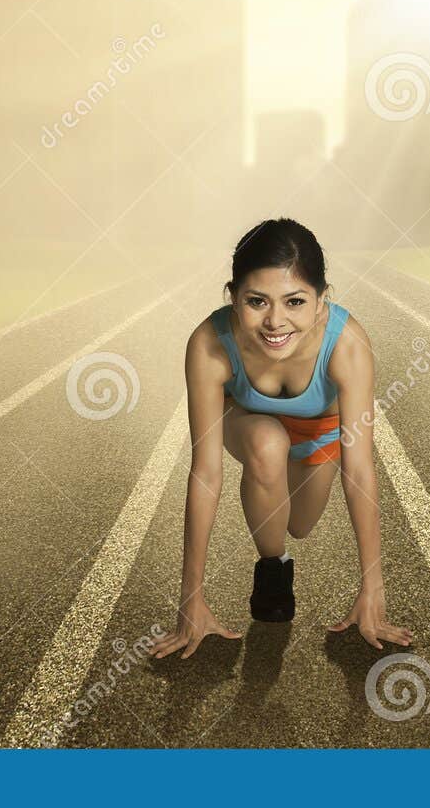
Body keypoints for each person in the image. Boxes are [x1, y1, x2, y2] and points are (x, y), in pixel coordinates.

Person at [152, 218, 413, 659]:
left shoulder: (348, 343)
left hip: (322, 432)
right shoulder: (209, 344)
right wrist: (189, 598)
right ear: (232, 298)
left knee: (300, 525)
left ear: (321, 301)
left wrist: (373, 588)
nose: (275, 321)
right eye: (256, 301)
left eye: (294, 301)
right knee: (268, 444)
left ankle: (286, 537)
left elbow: (360, 471)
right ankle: (273, 570)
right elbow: (206, 473)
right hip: (250, 424)